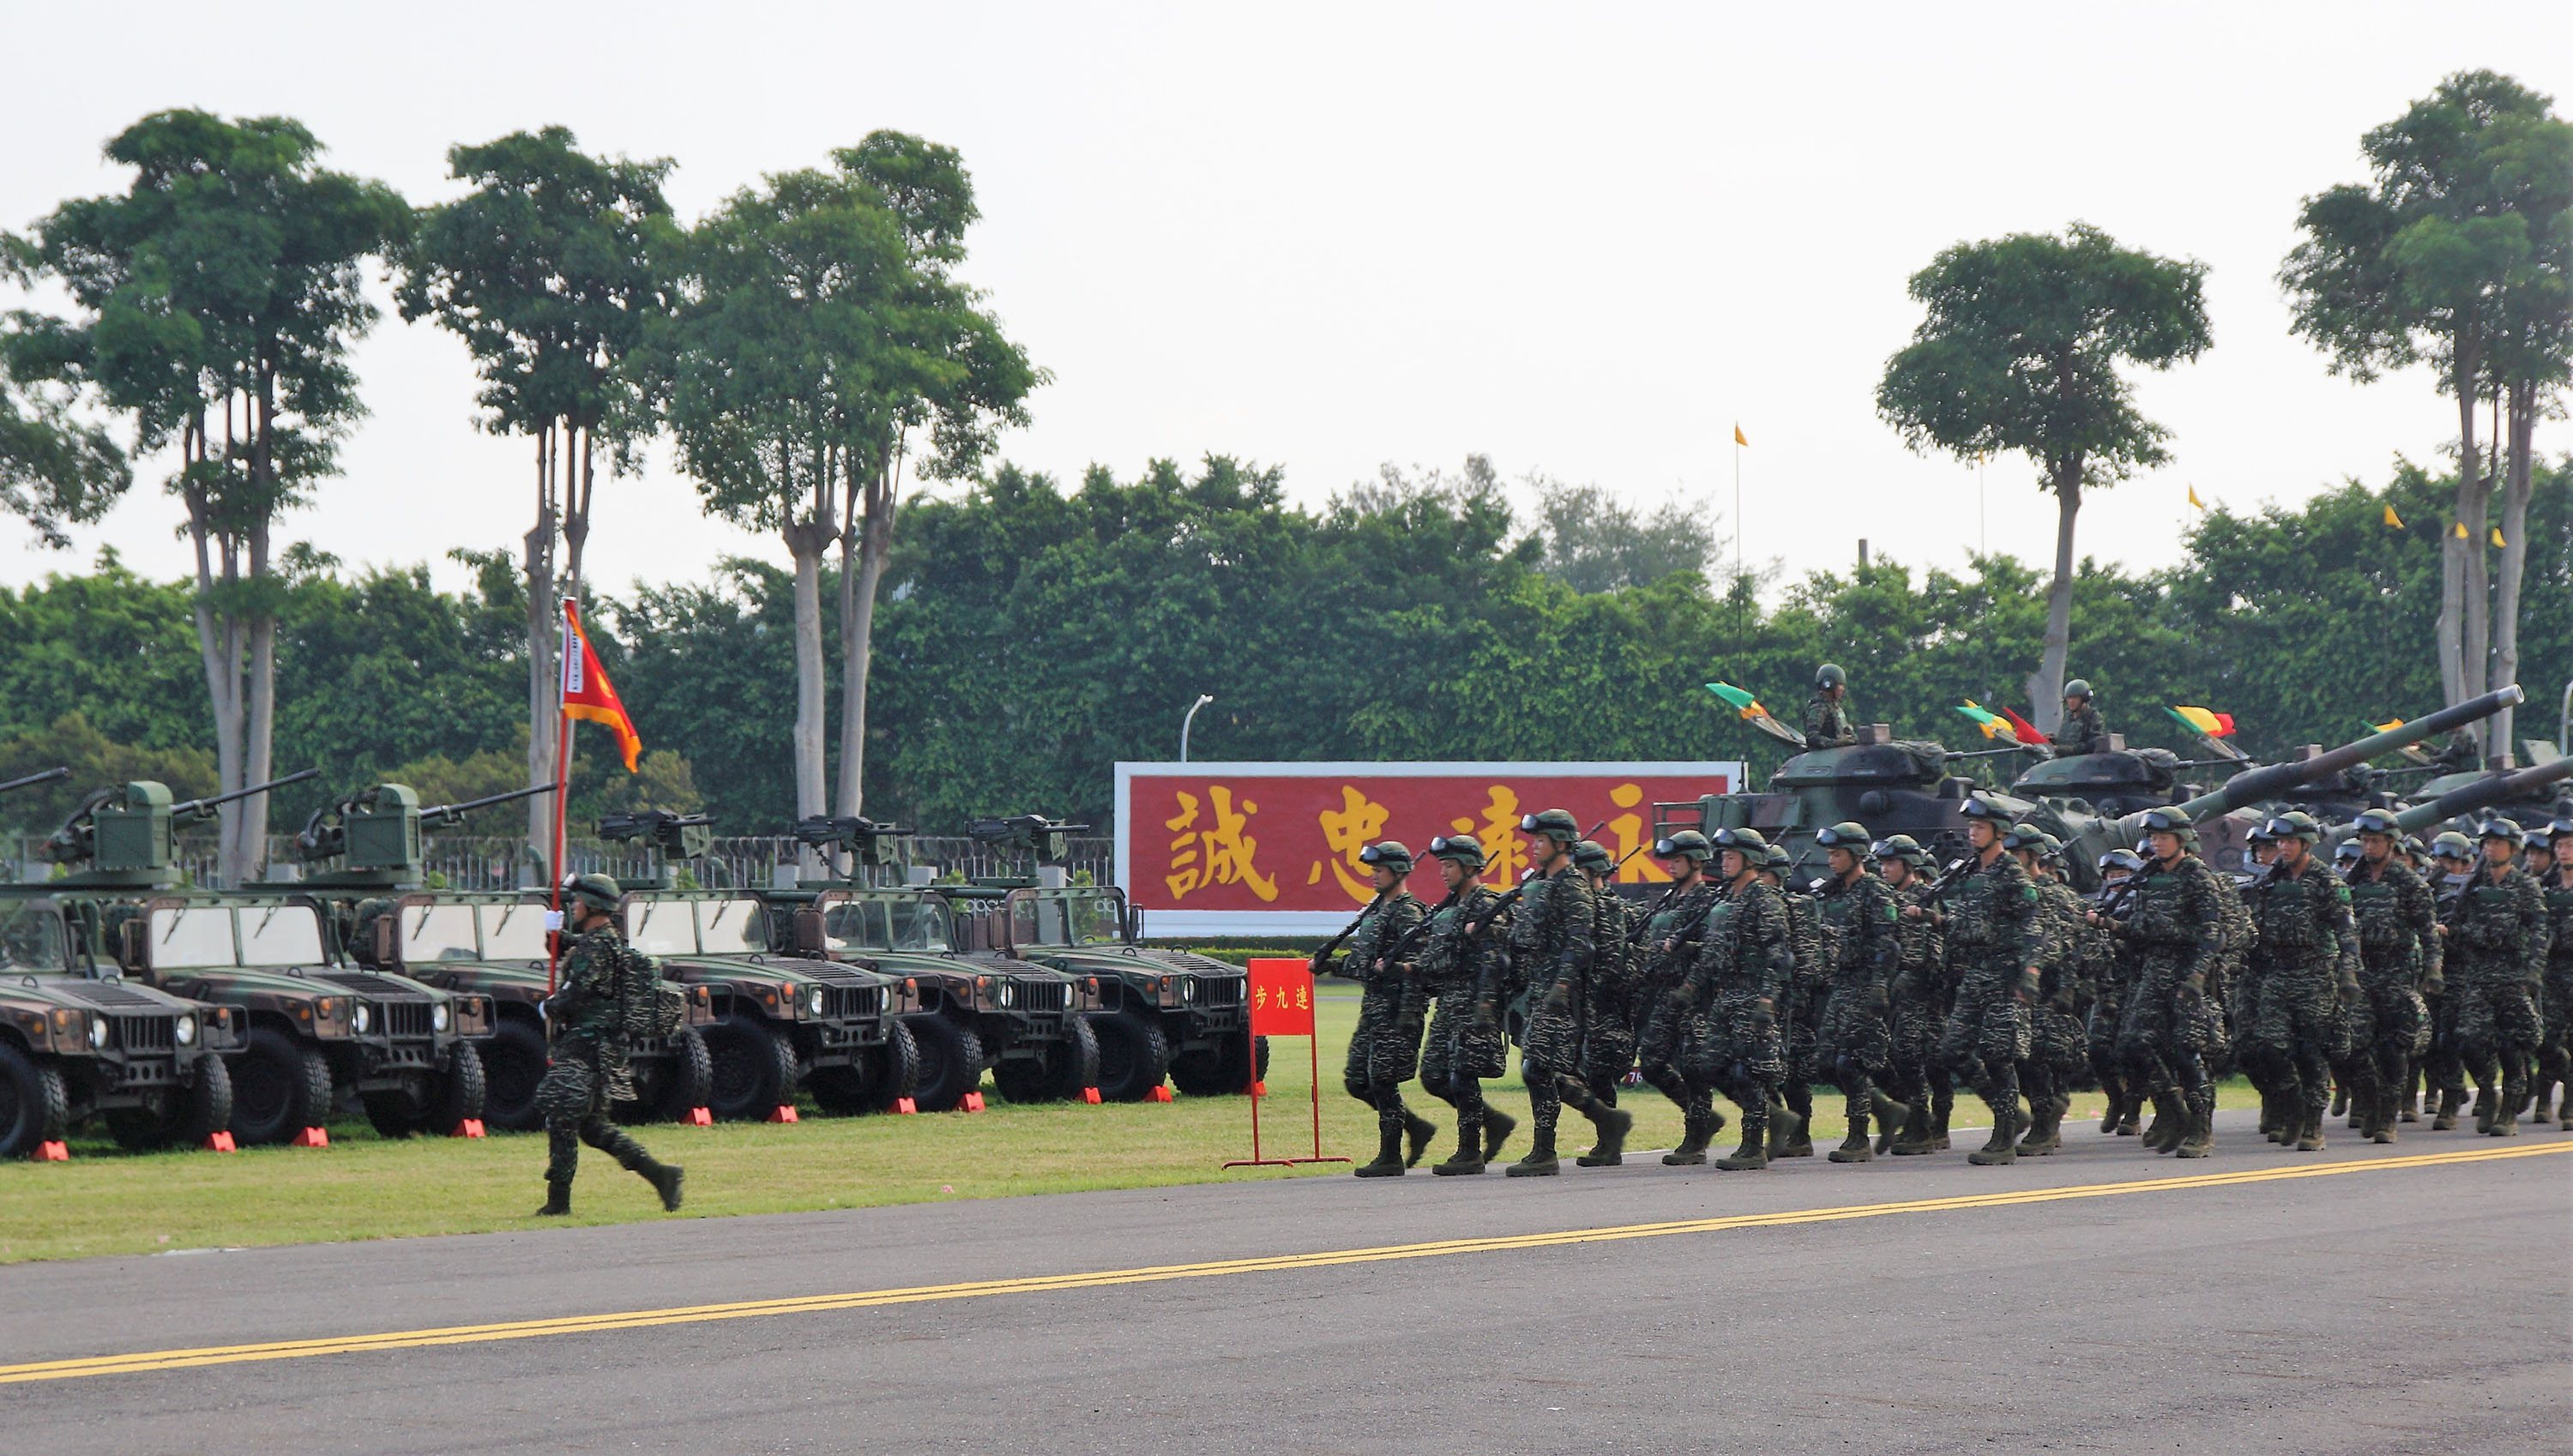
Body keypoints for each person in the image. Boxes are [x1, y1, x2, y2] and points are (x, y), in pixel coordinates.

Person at [535, 874, 684, 1217]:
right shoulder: (605, 941)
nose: (573, 906)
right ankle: (661, 1175)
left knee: (561, 1117)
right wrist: (554, 935)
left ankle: (558, 1202)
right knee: (593, 1127)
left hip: (586, 1046)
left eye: (576, 902)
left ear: (592, 906)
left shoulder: (594, 947)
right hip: (603, 1047)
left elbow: (579, 990)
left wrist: (551, 1007)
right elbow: (575, 953)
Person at [1913, 798, 2047, 1165]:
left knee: (1999, 1055)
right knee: (1952, 1051)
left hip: (2005, 974)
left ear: (1999, 832)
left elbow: (2033, 927)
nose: (1972, 832)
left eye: (1980, 827)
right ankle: (2012, 1114)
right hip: (1975, 974)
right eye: (1970, 826)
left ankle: (2003, 1136)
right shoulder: (1972, 873)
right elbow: (1964, 923)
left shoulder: (2011, 874)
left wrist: (2030, 974)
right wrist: (1931, 918)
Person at [1503, 809, 1630, 1176]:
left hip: (1562, 991)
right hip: (1542, 986)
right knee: (1541, 1067)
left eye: (1540, 841)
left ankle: (1546, 1151)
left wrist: (1560, 986)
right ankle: (1606, 1120)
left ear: (1560, 844)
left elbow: (1581, 941)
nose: (1534, 847)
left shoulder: (1573, 886)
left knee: (1537, 1066)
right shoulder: (1547, 885)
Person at [2100, 807, 2228, 1158]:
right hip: (2155, 969)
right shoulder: (2148, 877)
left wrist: (2197, 976)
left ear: (2182, 839)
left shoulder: (2197, 877)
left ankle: (2201, 1128)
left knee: (2187, 1050)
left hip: (2188, 971)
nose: (2157, 843)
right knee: (2132, 1043)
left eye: (2163, 837)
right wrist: (2110, 925)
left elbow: (2212, 934)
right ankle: (2173, 1107)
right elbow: (2139, 928)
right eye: (2153, 837)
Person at [1672, 827, 1794, 1170]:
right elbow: (1712, 955)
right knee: (1708, 1065)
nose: (1724, 862)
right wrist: (1690, 988)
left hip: (1754, 994)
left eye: (1731, 856)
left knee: (1747, 1073)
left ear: (1750, 860)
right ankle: (1773, 1117)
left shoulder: (1765, 900)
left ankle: (1753, 1146)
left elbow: (1780, 956)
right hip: (1727, 997)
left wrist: (1767, 1001)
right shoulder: (1729, 902)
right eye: (1723, 856)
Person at [2241, 812, 2363, 1152]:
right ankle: (2292, 1103)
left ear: (2306, 844)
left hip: (2315, 974)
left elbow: (2347, 932)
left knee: (2312, 1052)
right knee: (2271, 1047)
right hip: (2277, 973)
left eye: (2290, 841)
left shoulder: (2328, 882)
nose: (2283, 847)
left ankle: (2313, 1122)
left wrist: (2349, 973)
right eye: (2279, 841)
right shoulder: (2268, 881)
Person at [1320, 841, 1431, 1176]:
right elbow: (1364, 962)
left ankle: (1391, 1154)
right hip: (1374, 1008)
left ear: (1398, 873)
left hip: (1398, 1010)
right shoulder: (1377, 910)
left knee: (1382, 1080)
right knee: (1356, 1079)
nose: (1373, 876)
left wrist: (1398, 974)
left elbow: (1421, 966)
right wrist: (1333, 965)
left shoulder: (1409, 912)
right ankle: (1416, 1127)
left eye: (1379, 870)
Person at [1413, 835, 1515, 1174]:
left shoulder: (1486, 905)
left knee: (1463, 1075)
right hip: (1449, 1000)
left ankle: (1469, 1150)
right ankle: (1494, 1121)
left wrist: (1485, 1007)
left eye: (1449, 865)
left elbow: (1494, 960)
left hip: (1474, 1000)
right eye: (1442, 865)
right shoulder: (1449, 906)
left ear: (1469, 867)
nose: (1443, 872)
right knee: (1433, 1075)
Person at [2443, 821, 2550, 1137]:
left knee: (2512, 1046)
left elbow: (2539, 932)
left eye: (2498, 843)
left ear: (2512, 849)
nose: (2491, 848)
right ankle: (2488, 1091)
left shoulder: (2524, 887)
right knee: (2469, 1040)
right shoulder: (2472, 887)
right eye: (2487, 843)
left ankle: (2509, 1110)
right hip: (2479, 975)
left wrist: (2533, 973)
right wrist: (2471, 935)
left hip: (2513, 976)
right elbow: (2455, 926)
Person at [1811, 821, 1907, 1162]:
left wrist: (1880, 985)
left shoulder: (1875, 891)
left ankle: (1859, 1137)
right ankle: (1889, 1108)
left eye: (1837, 854)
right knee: (1824, 1062)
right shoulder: (1837, 892)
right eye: (1830, 854)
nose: (1831, 861)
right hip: (1842, 984)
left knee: (1851, 1061)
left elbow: (1889, 943)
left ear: (1856, 855)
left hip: (1867, 983)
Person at [2343, 809, 2439, 1144]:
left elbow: (2428, 932)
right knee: (2354, 1046)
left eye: (2376, 841)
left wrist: (2433, 970)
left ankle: (2387, 1116)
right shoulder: (2351, 882)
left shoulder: (2408, 883)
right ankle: (2370, 1101)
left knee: (2394, 1048)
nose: (2369, 847)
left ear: (2391, 843)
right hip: (2362, 973)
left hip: (2398, 972)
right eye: (2365, 841)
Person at [1634, 830, 1727, 1164]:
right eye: (1670, 860)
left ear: (1696, 862)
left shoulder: (1708, 901)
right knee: (1653, 1064)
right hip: (1664, 992)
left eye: (1678, 860)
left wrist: (1687, 953)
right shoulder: (1670, 898)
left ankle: (1695, 1138)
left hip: (1693, 995)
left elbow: (1714, 950)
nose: (1671, 866)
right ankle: (1704, 1119)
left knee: (1693, 1067)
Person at [2012, 829, 2094, 1155]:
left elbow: (2072, 944)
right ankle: (2048, 1113)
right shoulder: (2016, 893)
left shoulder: (2058, 896)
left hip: (2051, 988)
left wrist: (2068, 989)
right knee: (2025, 1056)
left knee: (2042, 1057)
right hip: (2022, 986)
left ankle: (2046, 1123)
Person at [1874, 834, 1951, 1154]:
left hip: (1922, 992)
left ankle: (1926, 1127)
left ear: (1908, 865)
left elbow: (1935, 948)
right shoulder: (1886, 900)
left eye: (1890, 863)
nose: (1884, 869)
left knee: (1915, 1058)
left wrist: (1912, 974)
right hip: (1894, 991)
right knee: (1899, 1058)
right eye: (1882, 863)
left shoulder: (1924, 897)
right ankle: (1923, 1122)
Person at [1572, 839, 1642, 1121]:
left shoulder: (1611, 910)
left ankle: (1609, 1137)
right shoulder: (1583, 908)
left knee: (1600, 1075)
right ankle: (1608, 1136)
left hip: (1608, 1007)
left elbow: (1614, 966)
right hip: (1587, 1006)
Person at [2087, 849, 2148, 1136]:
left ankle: (2134, 1110)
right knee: (2098, 1047)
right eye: (2111, 876)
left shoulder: (2143, 909)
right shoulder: (2097, 908)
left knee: (2132, 1049)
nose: (2116, 882)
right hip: (2106, 988)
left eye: (2122, 876)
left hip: (2135, 986)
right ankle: (2116, 1098)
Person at [1766, 843, 1822, 1158]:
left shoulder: (1798, 907)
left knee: (1795, 1071)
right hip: (1772, 998)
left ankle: (1801, 1135)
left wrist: (1795, 998)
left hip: (1793, 1002)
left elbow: (1809, 961)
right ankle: (1784, 1129)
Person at [2423, 832, 2478, 1128]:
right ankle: (2450, 1088)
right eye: (2440, 860)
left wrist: (2452, 934)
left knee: (2453, 1039)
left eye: (2450, 861)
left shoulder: (2473, 893)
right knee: (2428, 1042)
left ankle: (2452, 1097)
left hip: (2463, 974)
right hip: (2433, 973)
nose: (2444, 867)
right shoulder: (2428, 891)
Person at [2535, 821, 2573, 1132]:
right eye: (2560, 846)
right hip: (2552, 972)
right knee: (2544, 1039)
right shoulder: (2544, 889)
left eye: (2570, 845)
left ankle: (2569, 1102)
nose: (2563, 851)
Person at [1805, 664, 1858, 749]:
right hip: (1823, 759)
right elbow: (1812, 738)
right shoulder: (1819, 708)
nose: (1843, 689)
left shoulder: (1836, 708)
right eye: (1840, 685)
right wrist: (1837, 742)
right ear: (1829, 684)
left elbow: (1847, 731)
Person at [2052, 681, 2110, 756]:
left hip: (2083, 762)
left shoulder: (2092, 716)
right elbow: (2069, 740)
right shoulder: (2068, 716)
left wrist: (2073, 750)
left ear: (2084, 698)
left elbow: (2094, 743)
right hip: (2065, 761)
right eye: (2069, 698)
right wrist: (2056, 741)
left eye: (2075, 697)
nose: (2071, 701)